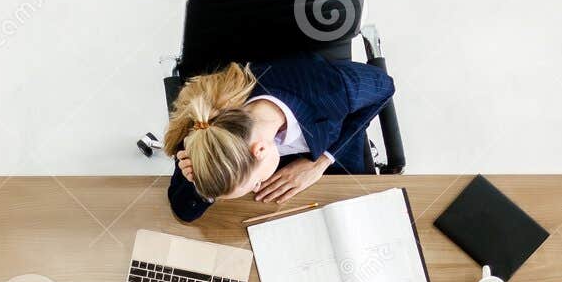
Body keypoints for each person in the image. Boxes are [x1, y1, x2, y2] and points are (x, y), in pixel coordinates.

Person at [163, 55, 395, 223]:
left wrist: (322, 161)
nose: (257, 187)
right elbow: (184, 211)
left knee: (360, 219)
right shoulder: (209, 132)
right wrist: (196, 179)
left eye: (254, 183)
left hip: (332, 144)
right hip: (279, 175)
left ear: (260, 150)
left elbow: (385, 87)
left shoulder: (331, 90)